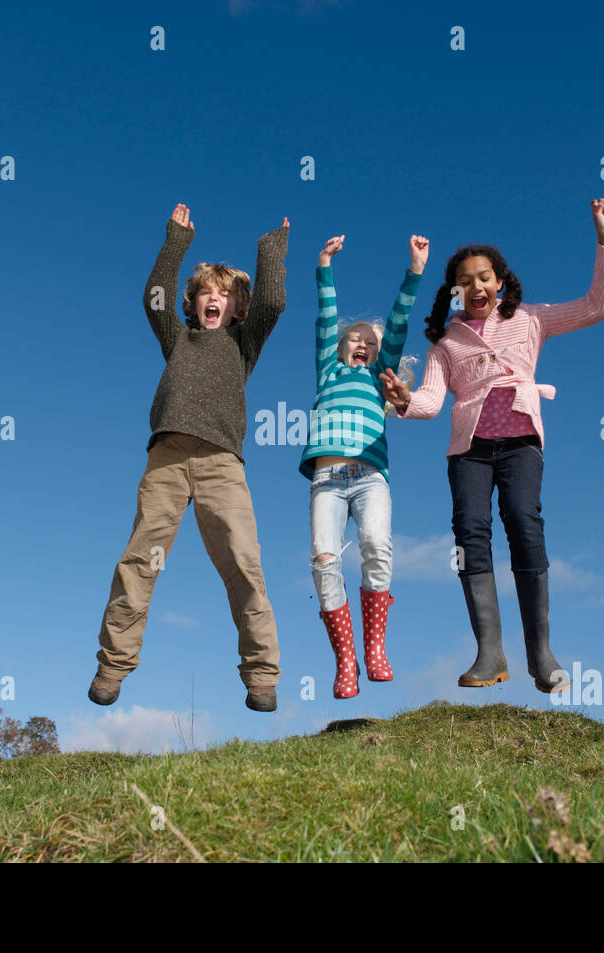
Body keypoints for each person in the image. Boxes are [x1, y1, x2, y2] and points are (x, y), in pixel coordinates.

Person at [380, 199, 604, 693]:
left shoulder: (531, 319)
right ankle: (490, 653)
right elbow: (429, 399)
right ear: (455, 291)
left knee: (524, 525)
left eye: (485, 277)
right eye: (466, 280)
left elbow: (599, 306)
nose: (476, 286)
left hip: (519, 443)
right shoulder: (445, 344)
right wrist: (404, 401)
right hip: (468, 450)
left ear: (500, 281)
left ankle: (541, 653)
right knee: (471, 535)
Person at [90, 203, 289, 712]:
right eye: (206, 293)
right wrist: (176, 241)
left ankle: (262, 676)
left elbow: (273, 304)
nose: (214, 300)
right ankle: (113, 666)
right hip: (168, 459)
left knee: (244, 562)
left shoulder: (243, 346)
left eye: (224, 295)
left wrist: (272, 248)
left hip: (223, 464)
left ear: (236, 307)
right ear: (194, 302)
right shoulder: (177, 339)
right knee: (140, 560)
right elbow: (153, 297)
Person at [301, 232, 426, 698]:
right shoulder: (328, 370)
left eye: (367, 342)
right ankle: (345, 661)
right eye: (352, 340)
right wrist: (325, 266)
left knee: (375, 543)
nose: (359, 343)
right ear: (338, 348)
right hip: (327, 480)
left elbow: (396, 323)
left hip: (370, 477)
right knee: (324, 559)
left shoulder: (378, 377)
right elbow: (325, 316)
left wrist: (414, 272)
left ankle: (375, 650)